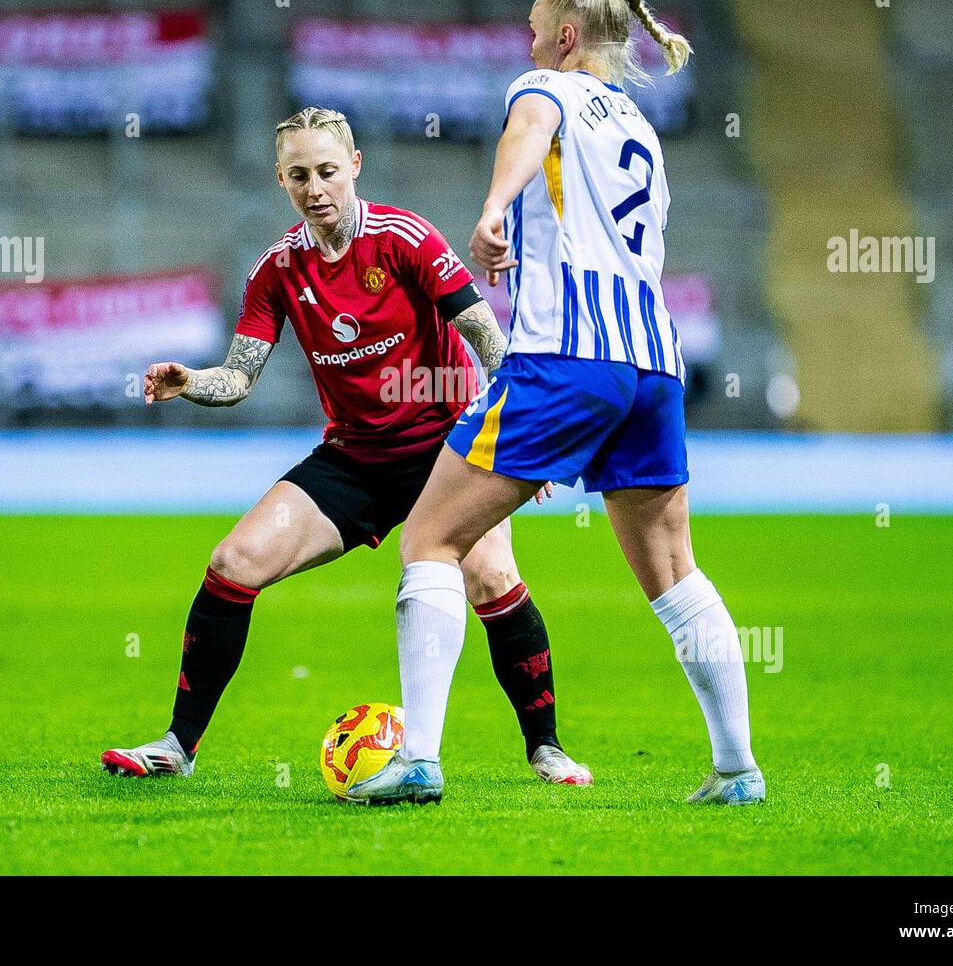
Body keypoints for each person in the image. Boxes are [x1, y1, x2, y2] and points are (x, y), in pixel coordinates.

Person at [348, 0, 764, 806]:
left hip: (568, 354)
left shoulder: (547, 86)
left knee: (429, 538)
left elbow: (528, 127)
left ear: (565, 37)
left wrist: (495, 206)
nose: (529, 37)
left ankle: (421, 759)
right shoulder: (642, 130)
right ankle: (737, 769)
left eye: (537, 24)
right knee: (677, 571)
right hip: (652, 363)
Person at [100, 106, 591, 788]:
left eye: (328, 170)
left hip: (446, 452)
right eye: (299, 175)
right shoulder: (277, 270)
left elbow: (487, 340)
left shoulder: (406, 239)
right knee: (234, 559)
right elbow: (239, 376)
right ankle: (178, 745)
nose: (315, 187)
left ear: (353, 166)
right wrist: (191, 381)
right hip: (356, 457)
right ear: (281, 179)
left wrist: (521, 435)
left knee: (491, 578)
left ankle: (546, 748)